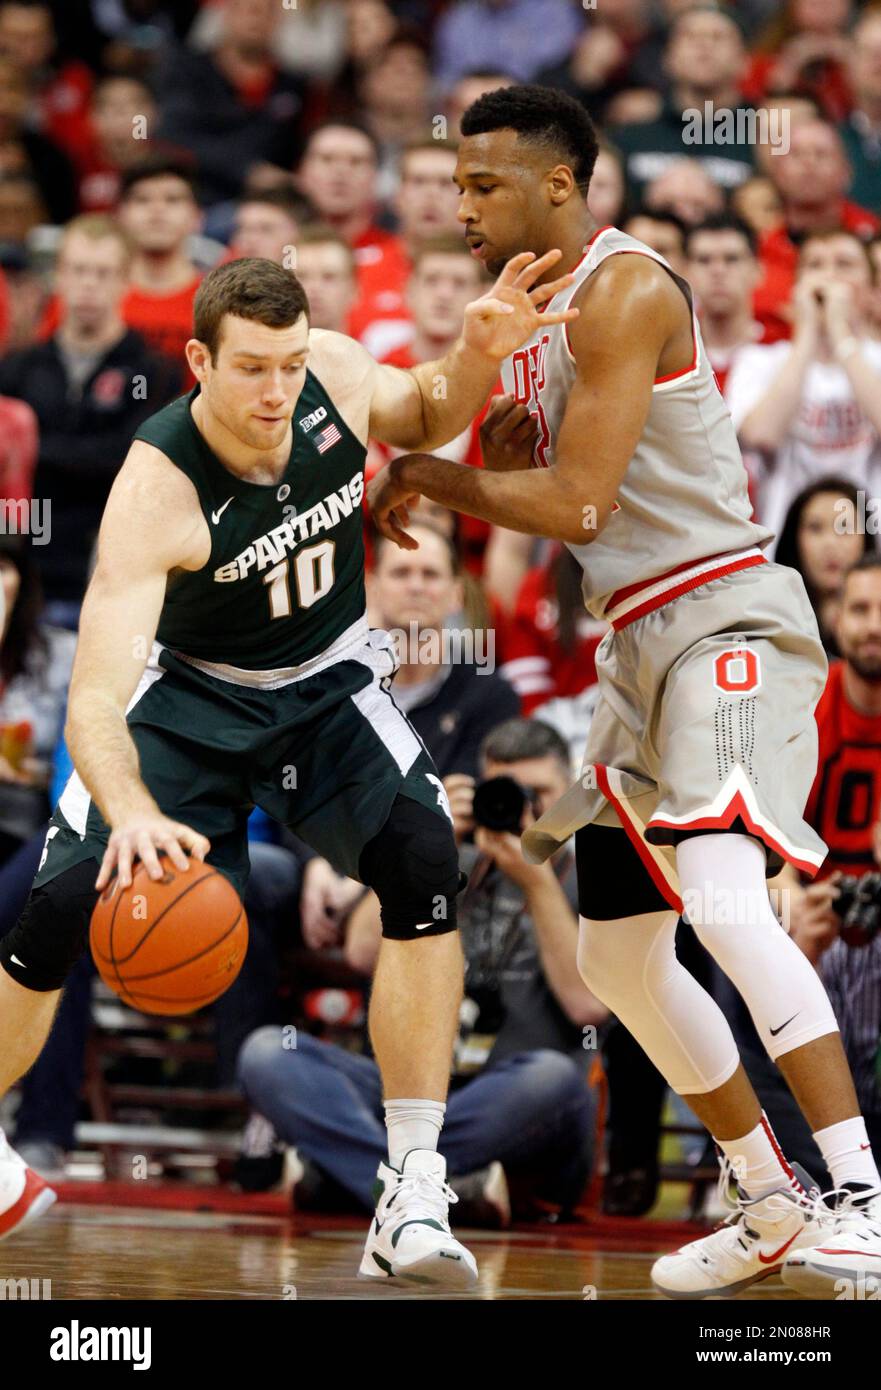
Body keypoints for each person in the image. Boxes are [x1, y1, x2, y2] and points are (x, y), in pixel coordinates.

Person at [368, 81, 881, 1300]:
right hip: (636, 648)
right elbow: (512, 461)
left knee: (718, 895)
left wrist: (432, 476)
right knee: (615, 956)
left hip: (724, 619)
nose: (461, 204)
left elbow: (580, 505)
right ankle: (766, 1195)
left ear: (557, 183)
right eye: (454, 183)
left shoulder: (625, 287)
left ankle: (858, 1189)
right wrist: (475, 397)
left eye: (483, 182)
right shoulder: (531, 307)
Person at [0, 250, 578, 1285]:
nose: (277, 391)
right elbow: (92, 700)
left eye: (290, 363)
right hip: (191, 694)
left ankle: (410, 1185)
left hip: (324, 682)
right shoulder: (156, 487)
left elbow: (427, 406)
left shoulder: (339, 376)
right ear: (197, 360)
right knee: (57, 898)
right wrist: (129, 813)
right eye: (252, 368)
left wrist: (477, 352)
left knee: (420, 854)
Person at [238, 717, 605, 1221]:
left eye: (539, 793)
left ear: (569, 792)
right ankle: (434, 1191)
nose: (525, 808)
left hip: (513, 1103)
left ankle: (360, 1181)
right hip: (407, 1098)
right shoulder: (450, 856)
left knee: (556, 1078)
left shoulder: (593, 868)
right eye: (505, 791)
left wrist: (537, 883)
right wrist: (429, 839)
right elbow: (361, 951)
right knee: (268, 1054)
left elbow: (588, 1006)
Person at [0, 214, 181, 625]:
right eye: (79, 270)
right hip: (26, 573)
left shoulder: (153, 372)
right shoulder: (17, 370)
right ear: (58, 276)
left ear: (125, 280)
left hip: (111, 573)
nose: (89, 284)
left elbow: (131, 459)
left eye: (103, 273)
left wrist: (34, 447)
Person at [727, 229, 881, 542]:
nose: (828, 276)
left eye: (844, 264)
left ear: (869, 290)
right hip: (786, 545)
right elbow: (761, 436)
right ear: (796, 285)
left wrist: (841, 333)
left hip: (871, 545)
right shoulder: (759, 360)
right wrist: (807, 334)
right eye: (815, 265)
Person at [368, 521, 519, 778]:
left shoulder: (491, 696)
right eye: (401, 573)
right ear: (372, 589)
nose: (416, 587)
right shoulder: (339, 691)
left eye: (431, 574)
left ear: (456, 595)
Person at [155, 0, 306, 205]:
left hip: (274, 203)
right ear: (226, 15)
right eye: (247, 9)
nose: (256, 18)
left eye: (267, 11)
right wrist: (246, 170)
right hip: (203, 196)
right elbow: (173, 134)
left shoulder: (293, 84)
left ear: (280, 20)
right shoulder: (188, 72)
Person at [608, 7, 755, 200]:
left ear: (744, 62)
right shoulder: (633, 129)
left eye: (718, 37)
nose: (704, 45)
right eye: (690, 36)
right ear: (667, 58)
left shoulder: (762, 136)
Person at [755, 117, 881, 340]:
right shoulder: (757, 249)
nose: (809, 163)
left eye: (821, 154)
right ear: (777, 172)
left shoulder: (875, 239)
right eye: (796, 155)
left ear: (847, 171)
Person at [774, 477, 874, 657]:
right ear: (794, 540)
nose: (830, 543)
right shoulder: (771, 623)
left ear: (866, 540)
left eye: (844, 527)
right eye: (815, 528)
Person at [683, 214, 767, 398]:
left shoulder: (781, 346)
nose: (718, 271)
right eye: (704, 260)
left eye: (732, 259)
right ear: (686, 272)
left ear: (757, 271)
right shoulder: (672, 356)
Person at [292, 226, 358, 333]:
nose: (314, 288)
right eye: (302, 276)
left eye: (329, 277)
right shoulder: (261, 349)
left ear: (354, 290)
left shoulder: (374, 349)